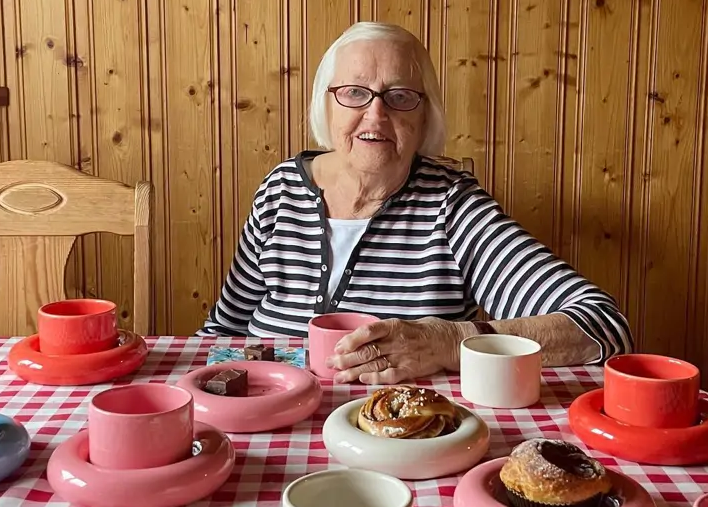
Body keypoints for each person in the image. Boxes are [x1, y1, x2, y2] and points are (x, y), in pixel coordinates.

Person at [203, 21, 632, 383]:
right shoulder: (282, 188)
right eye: (354, 92)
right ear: (326, 103)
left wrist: (447, 341)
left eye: (400, 96)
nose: (375, 115)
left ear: (426, 115)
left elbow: (602, 327)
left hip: (404, 436)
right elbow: (222, 331)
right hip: (266, 421)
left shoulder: (452, 205)